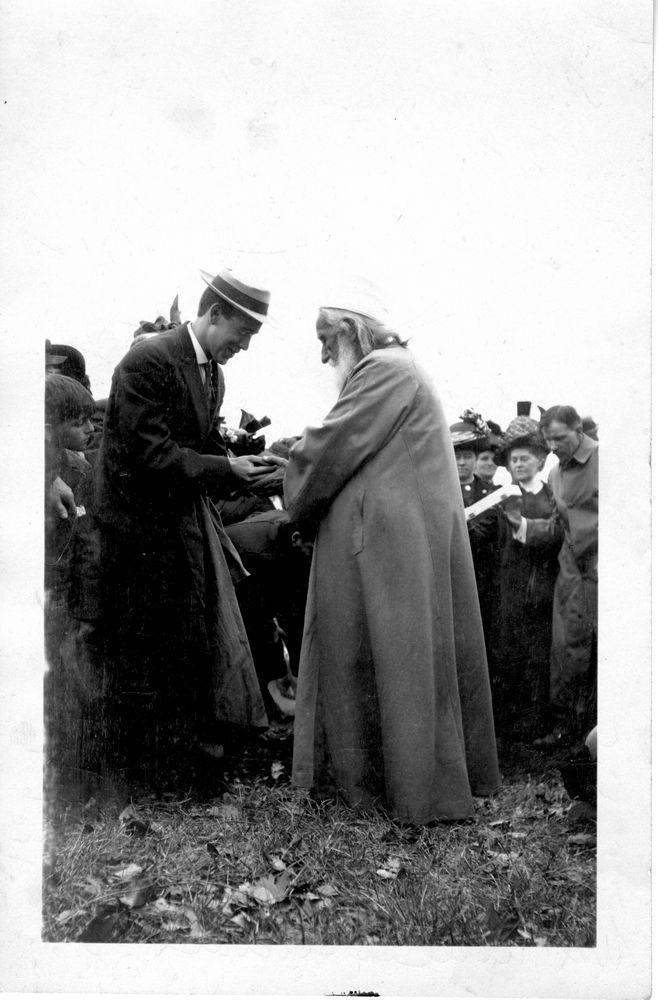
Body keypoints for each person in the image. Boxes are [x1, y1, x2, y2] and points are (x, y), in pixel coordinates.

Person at [283, 283, 500, 824]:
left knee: (399, 660)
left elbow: (332, 445)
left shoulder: (384, 370)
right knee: (401, 658)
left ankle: (405, 789)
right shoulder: (398, 367)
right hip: (397, 538)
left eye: (326, 338)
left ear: (352, 329)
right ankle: (391, 783)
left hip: (394, 543)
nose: (324, 353)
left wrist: (286, 468)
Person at [96, 267, 280, 787]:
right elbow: (151, 454)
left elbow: (196, 449)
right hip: (136, 535)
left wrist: (241, 467)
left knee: (184, 644)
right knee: (146, 652)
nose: (243, 346)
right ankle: (141, 776)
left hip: (177, 529)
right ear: (215, 313)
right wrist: (226, 469)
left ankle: (180, 766)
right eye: (241, 333)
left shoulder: (212, 373)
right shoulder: (149, 359)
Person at [509, 405, 598, 747]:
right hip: (570, 576)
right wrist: (524, 526)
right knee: (567, 651)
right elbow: (559, 527)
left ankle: (597, 737)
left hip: (602, 573)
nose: (555, 446)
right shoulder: (556, 475)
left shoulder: (604, 463)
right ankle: (567, 732)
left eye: (560, 438)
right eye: (549, 441)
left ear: (578, 431)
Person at [44, 374, 104, 799]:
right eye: (79, 420)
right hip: (42, 596)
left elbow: (87, 545)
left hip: (66, 598)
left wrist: (86, 608)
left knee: (71, 687)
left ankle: (71, 781)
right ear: (49, 426)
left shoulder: (80, 471)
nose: (91, 428)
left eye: (90, 419)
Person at [493, 416, 562, 738]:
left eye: (525, 458)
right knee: (511, 652)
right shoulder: (500, 497)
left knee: (540, 654)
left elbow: (558, 534)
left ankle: (536, 723)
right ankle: (510, 727)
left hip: (545, 586)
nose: (519, 464)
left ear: (541, 459)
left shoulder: (551, 496)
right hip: (510, 587)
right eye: (514, 459)